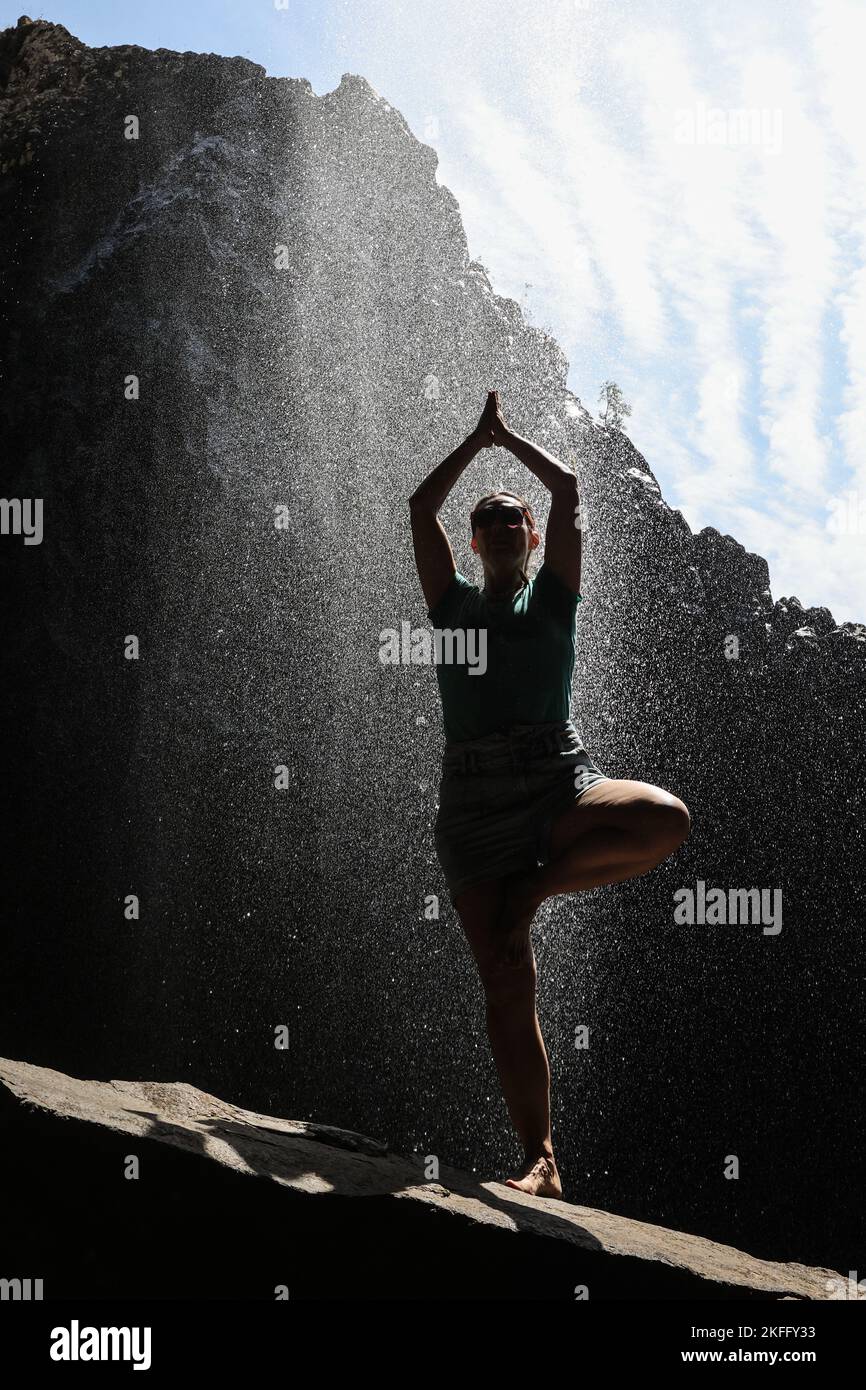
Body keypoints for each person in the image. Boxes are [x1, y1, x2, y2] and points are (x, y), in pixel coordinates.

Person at [408, 391, 691, 1199]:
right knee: (505, 974)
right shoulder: (450, 605)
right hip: (471, 805)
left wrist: (509, 438)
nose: (501, 524)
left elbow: (569, 489)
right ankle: (542, 1158)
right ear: (472, 541)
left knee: (663, 820)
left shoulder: (555, 598)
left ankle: (536, 888)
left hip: (559, 777)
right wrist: (472, 442)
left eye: (513, 518)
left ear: (532, 538)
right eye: (487, 518)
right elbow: (418, 505)